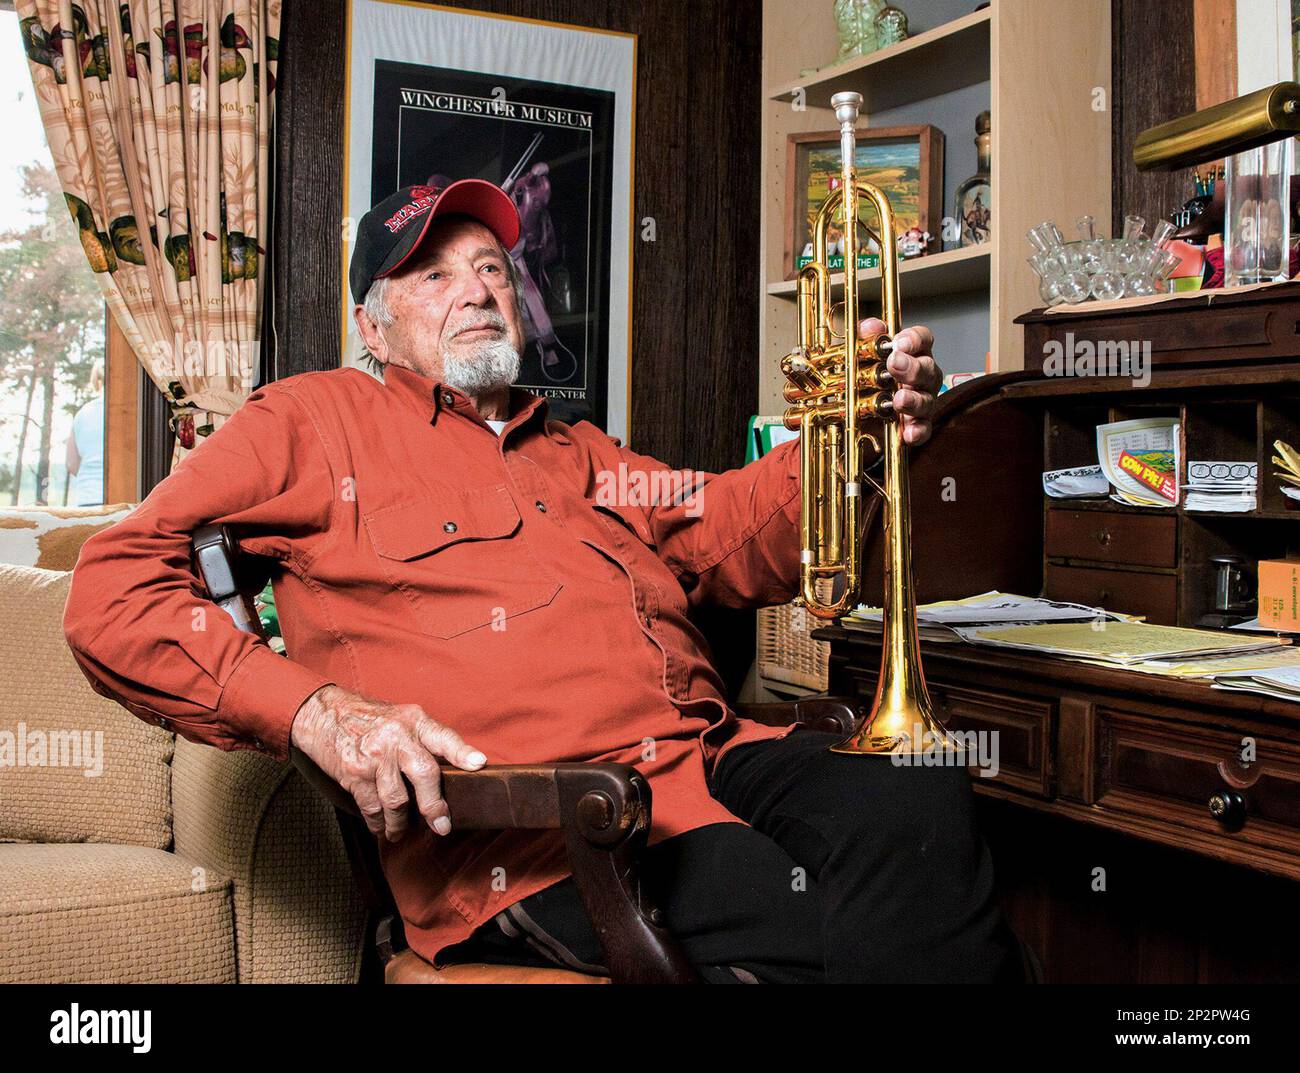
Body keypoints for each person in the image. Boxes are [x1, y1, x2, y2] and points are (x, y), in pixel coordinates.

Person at [64, 181, 1019, 983]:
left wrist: (844, 436)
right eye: (432, 273)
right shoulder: (310, 422)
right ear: (373, 323)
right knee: (874, 932)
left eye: (489, 267)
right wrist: (319, 713)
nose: (474, 288)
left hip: (707, 761)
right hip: (543, 834)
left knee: (916, 792)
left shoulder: (576, 449)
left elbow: (728, 529)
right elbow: (109, 588)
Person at [65, 360, 105, 506]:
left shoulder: (83, 413)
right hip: (122, 500)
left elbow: (71, 463)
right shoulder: (132, 412)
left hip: (86, 498)